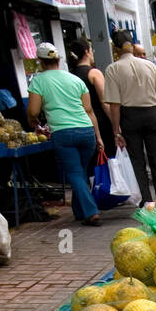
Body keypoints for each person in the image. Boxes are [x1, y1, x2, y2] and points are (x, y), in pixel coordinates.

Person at [26, 41, 102, 226]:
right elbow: (89, 110)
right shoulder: (75, 79)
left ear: (40, 62)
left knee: (75, 174)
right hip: (86, 131)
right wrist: (98, 136)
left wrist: (33, 121)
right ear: (59, 60)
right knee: (81, 172)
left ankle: (91, 212)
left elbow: (34, 111)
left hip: (63, 133)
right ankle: (79, 211)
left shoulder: (38, 81)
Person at [104, 29, 156, 204]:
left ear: (116, 48)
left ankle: (146, 201)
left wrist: (116, 131)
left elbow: (115, 105)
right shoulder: (149, 65)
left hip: (130, 117)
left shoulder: (113, 69)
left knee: (138, 161)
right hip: (152, 114)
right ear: (133, 45)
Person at [67, 36, 115, 157]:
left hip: (81, 124)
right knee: (108, 158)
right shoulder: (94, 73)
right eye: (91, 49)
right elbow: (105, 102)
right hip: (101, 123)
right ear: (87, 52)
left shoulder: (69, 76)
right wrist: (116, 124)